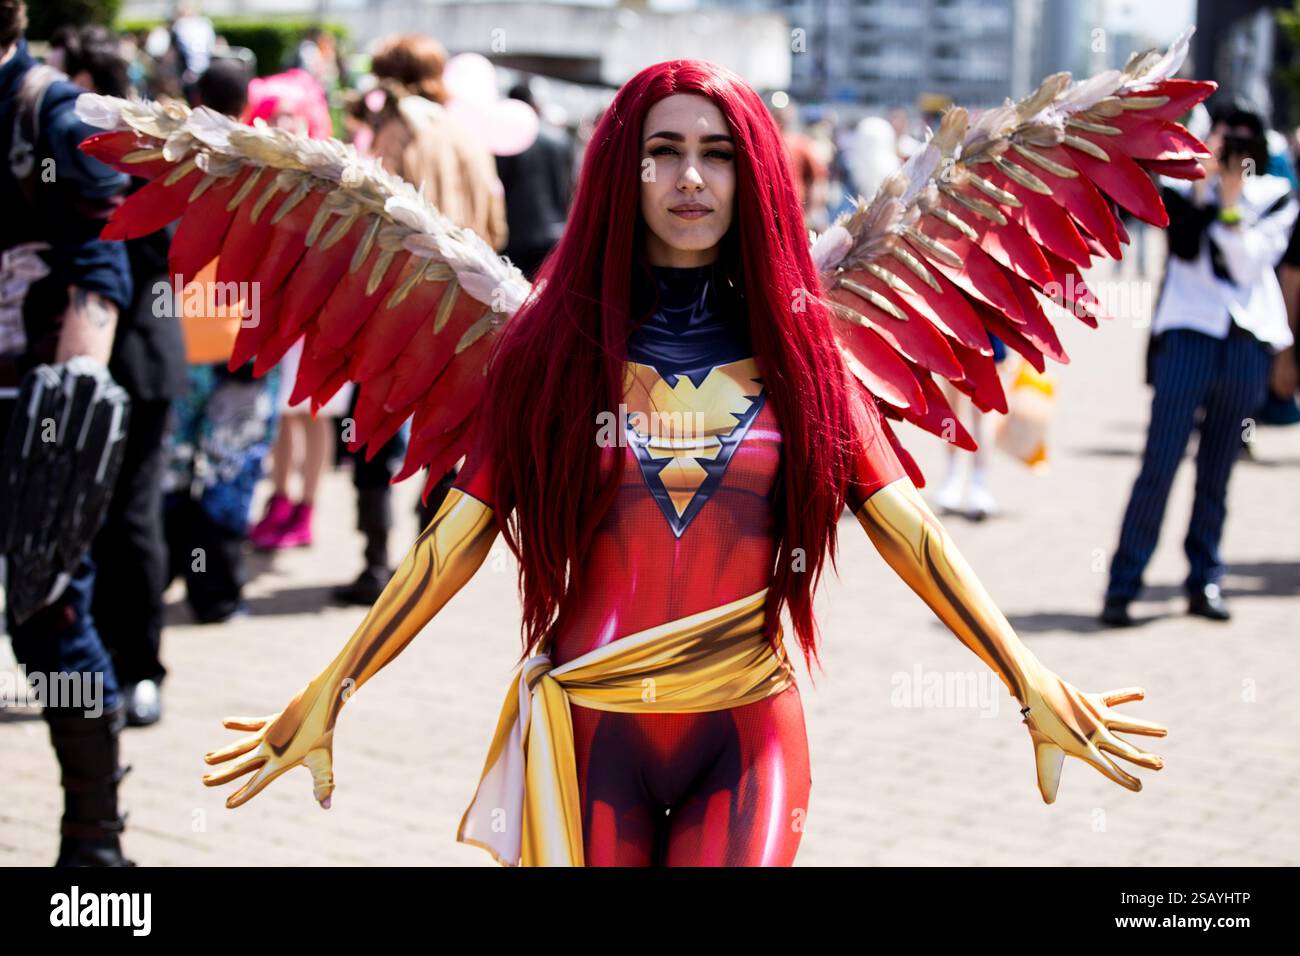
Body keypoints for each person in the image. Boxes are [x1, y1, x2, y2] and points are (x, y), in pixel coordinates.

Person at [159, 59, 1178, 867]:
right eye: (662, 152)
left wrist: (1024, 672)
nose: (689, 177)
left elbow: (908, 524)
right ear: (623, 168)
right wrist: (335, 684)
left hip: (746, 733)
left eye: (717, 153)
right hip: (587, 730)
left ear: (752, 173)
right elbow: (452, 542)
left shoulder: (800, 347)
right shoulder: (552, 353)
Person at [0, 0, 134, 865]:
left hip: (23, 411)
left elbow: (101, 260)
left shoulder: (46, 110)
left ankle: (95, 842)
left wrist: (65, 413)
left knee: (50, 617)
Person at [1101, 103, 1298, 626]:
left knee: (1218, 469)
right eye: (1221, 141)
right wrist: (1204, 188)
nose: (1230, 153)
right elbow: (1184, 245)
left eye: (1241, 144)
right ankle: (1124, 584)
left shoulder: (1275, 198)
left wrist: (1232, 205)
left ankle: (1204, 577)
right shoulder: (1184, 188)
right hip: (1187, 335)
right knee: (1160, 462)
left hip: (1245, 344)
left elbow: (1249, 263)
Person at [330, 33, 507, 604]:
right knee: (446, 439)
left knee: (372, 440)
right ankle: (432, 563)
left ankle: (375, 564)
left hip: (399, 306)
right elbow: (497, 224)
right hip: (467, 310)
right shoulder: (468, 135)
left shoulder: (399, 129)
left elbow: (373, 221)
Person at [160, 57, 282, 624]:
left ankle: (160, 573)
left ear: (197, 94)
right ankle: (216, 594)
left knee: (175, 458)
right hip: (246, 332)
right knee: (230, 465)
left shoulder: (173, 153)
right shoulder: (270, 163)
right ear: (247, 102)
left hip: (186, 327)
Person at [495, 79, 574, 280]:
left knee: (514, 304)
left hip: (516, 239)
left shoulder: (506, 139)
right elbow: (569, 188)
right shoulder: (561, 139)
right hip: (555, 234)